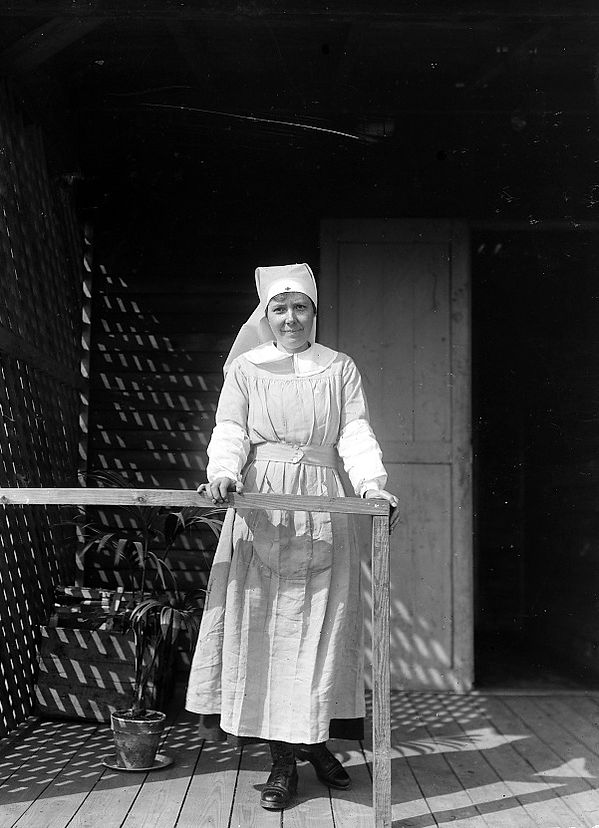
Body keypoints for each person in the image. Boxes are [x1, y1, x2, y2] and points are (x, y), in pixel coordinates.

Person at [187, 262, 398, 811]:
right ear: (266, 314)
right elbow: (230, 429)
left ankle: (315, 743)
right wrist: (223, 473)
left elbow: (354, 431)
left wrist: (374, 485)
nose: (289, 318)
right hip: (264, 508)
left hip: (325, 506)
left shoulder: (338, 368)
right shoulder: (247, 369)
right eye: (278, 308)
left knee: (322, 631)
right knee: (270, 630)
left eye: (299, 307)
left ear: (313, 311)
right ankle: (282, 760)